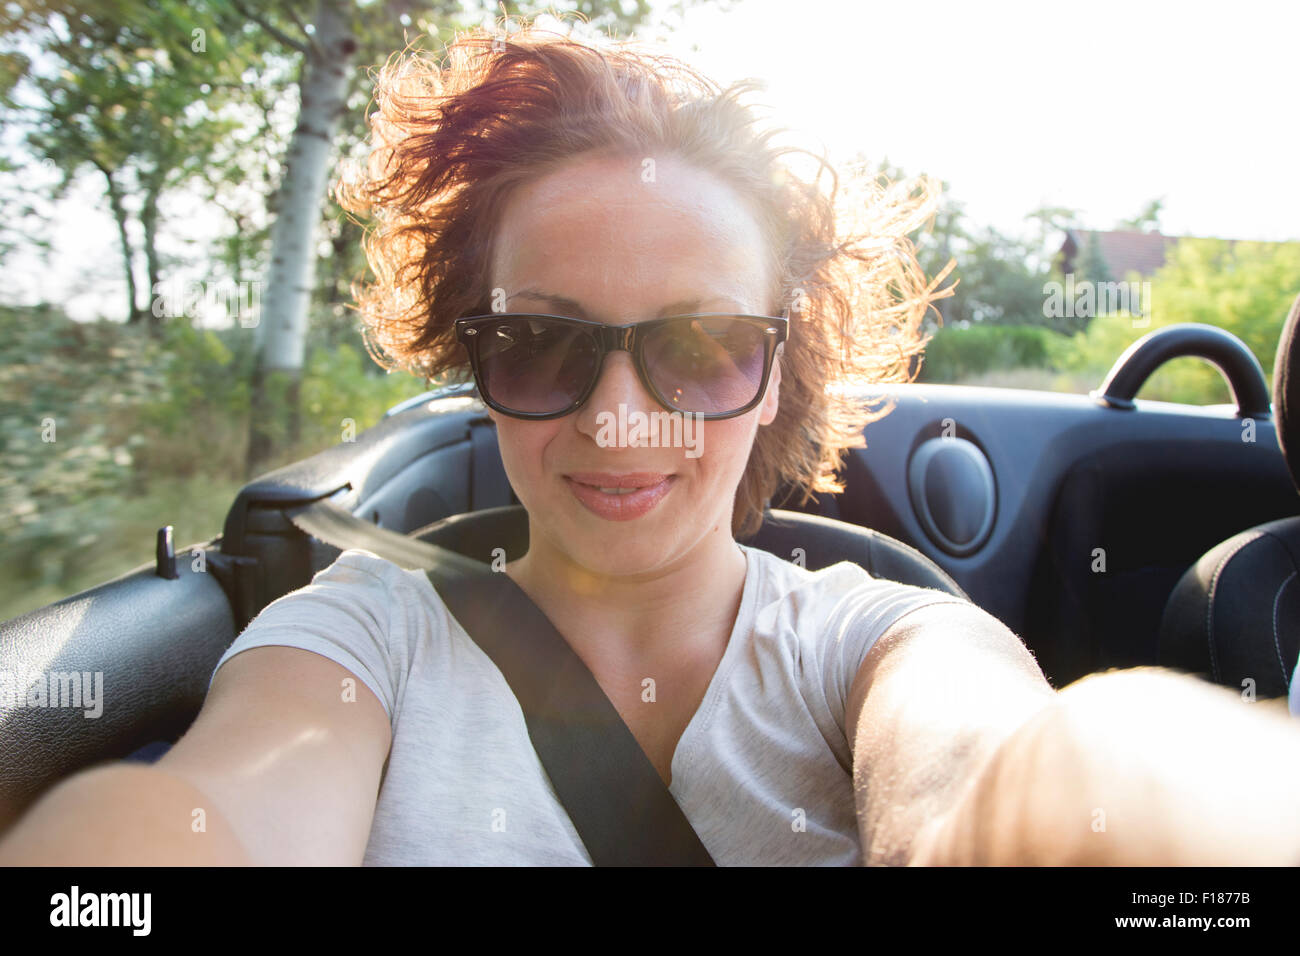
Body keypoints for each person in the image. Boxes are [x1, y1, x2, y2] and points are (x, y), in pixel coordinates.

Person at [3, 21, 1300, 867]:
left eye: (697, 345)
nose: (619, 417)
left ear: (776, 368)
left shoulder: (879, 639)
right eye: (543, 343)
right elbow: (222, 815)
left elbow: (1000, 779)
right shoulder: (362, 633)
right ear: (475, 359)